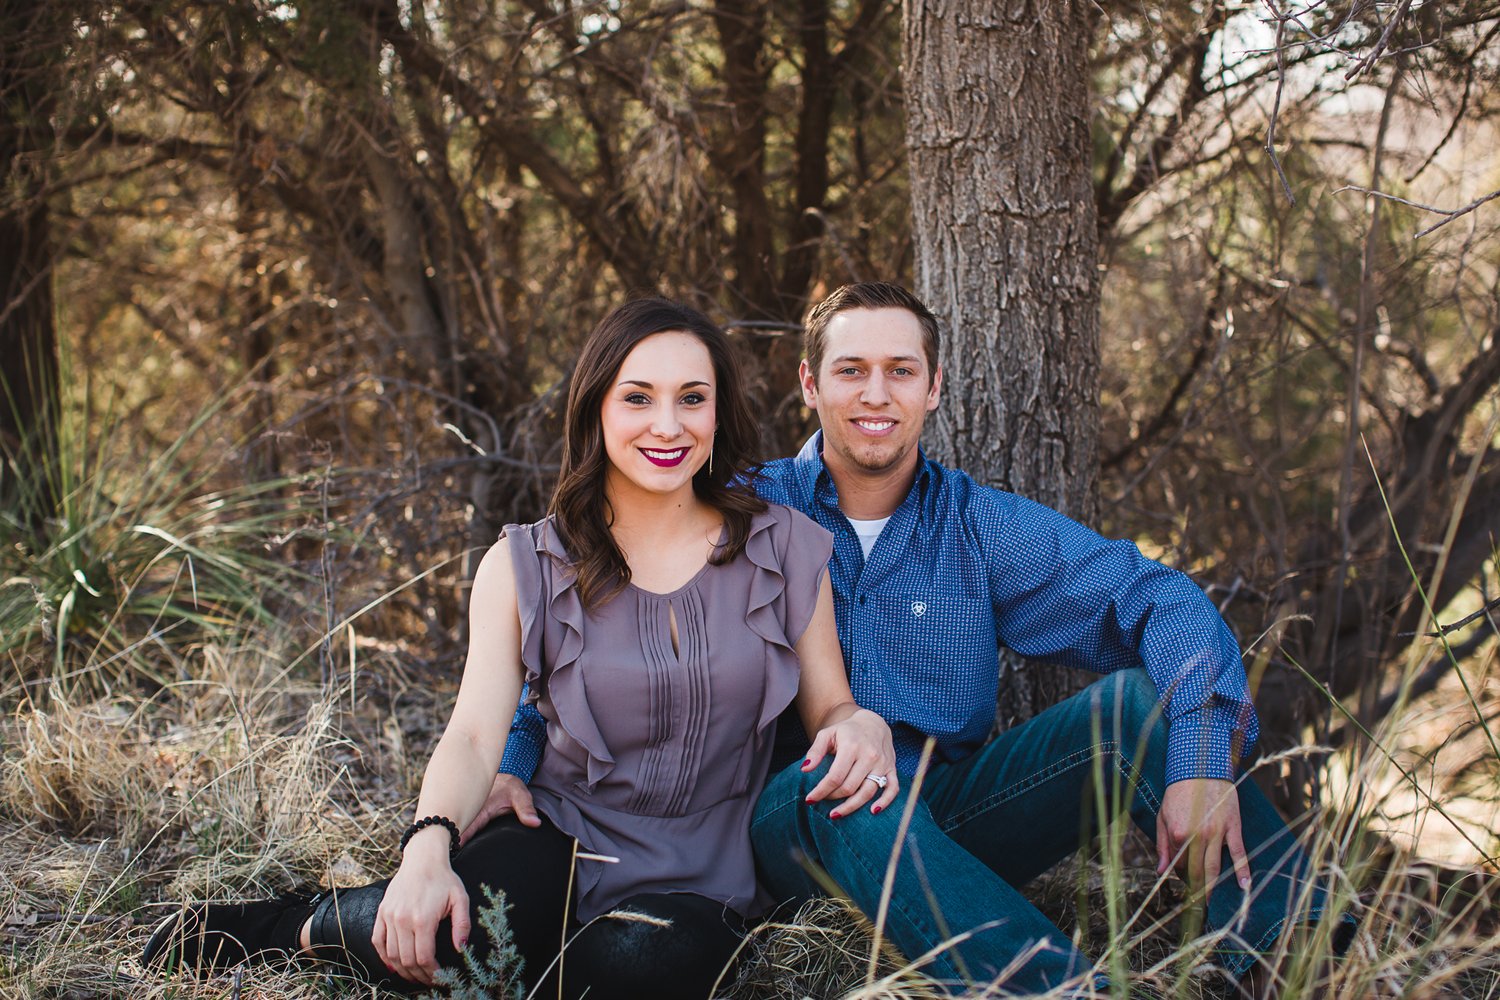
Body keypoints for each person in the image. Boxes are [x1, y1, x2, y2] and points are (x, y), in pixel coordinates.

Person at [481, 283, 1352, 997]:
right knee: (839, 776)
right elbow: (588, 648)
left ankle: (1311, 959)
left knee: (1134, 708)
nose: (876, 394)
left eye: (901, 371)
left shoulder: (979, 528)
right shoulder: (742, 513)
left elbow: (1156, 598)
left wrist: (1198, 759)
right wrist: (514, 761)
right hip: (793, 826)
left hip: (947, 822)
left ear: (933, 388)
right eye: (851, 370)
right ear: (809, 385)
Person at [140, 298, 900, 1000]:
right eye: (638, 398)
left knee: (637, 965)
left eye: (691, 398)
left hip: (707, 872)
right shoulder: (524, 565)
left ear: (718, 411)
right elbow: (474, 734)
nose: (668, 426)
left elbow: (829, 705)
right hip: (558, 837)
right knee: (447, 940)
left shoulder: (785, 548)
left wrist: (858, 721)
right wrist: (426, 849)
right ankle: (299, 923)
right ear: (596, 407)